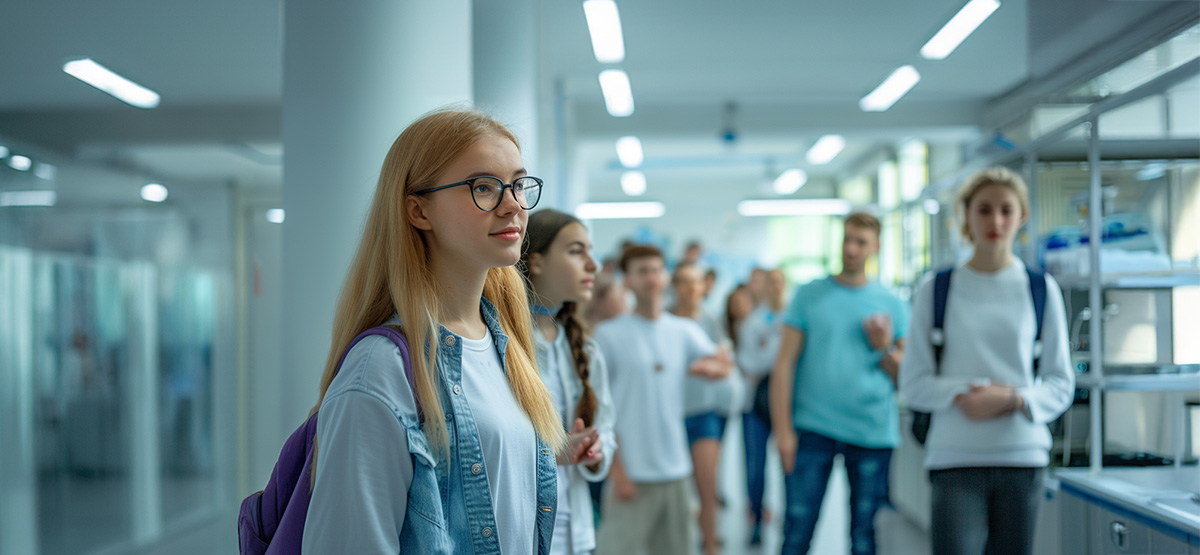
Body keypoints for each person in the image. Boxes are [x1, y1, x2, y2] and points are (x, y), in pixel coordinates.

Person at [303, 108, 568, 554]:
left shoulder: (506, 346)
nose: (513, 205)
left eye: (519, 185)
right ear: (418, 210)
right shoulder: (380, 370)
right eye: (483, 187)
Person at [899, 167, 1074, 555]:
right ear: (966, 214)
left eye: (1006, 210)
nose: (995, 221)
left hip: (1022, 457)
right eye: (984, 209)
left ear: (1022, 216)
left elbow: (1061, 382)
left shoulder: (1040, 289)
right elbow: (913, 383)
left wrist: (1012, 398)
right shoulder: (936, 289)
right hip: (953, 458)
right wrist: (971, 392)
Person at [769, 213, 909, 555]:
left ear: (875, 247)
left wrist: (883, 347)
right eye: (847, 239)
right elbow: (784, 364)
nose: (851, 249)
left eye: (861, 242)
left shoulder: (892, 304)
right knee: (797, 531)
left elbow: (905, 378)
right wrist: (783, 431)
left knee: (864, 537)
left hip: (872, 430)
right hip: (813, 428)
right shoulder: (809, 295)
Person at [593, 245, 733, 555]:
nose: (651, 278)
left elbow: (723, 361)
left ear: (666, 276)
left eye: (656, 270)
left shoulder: (683, 331)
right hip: (631, 474)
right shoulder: (609, 335)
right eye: (642, 271)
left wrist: (712, 368)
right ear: (627, 280)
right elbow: (598, 409)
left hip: (676, 471)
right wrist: (617, 472)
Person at [522, 209, 617, 555]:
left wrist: (594, 452)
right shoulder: (504, 343)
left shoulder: (585, 349)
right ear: (536, 262)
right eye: (577, 251)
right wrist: (552, 453)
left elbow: (605, 428)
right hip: (522, 531)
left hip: (575, 531)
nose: (593, 265)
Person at [670, 262, 740, 555]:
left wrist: (703, 366)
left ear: (703, 286)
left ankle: (710, 544)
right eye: (683, 282)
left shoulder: (709, 320)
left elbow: (725, 364)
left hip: (704, 413)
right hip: (670, 416)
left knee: (707, 485)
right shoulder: (664, 320)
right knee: (674, 490)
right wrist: (705, 364)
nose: (690, 289)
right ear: (674, 287)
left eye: (695, 282)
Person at [735, 267, 786, 545]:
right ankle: (755, 518)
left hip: (788, 402)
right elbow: (750, 363)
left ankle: (791, 518)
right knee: (756, 465)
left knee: (791, 461)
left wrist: (770, 349)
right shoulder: (752, 322)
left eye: (780, 282)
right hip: (756, 404)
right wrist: (778, 354)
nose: (776, 287)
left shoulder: (793, 318)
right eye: (771, 282)